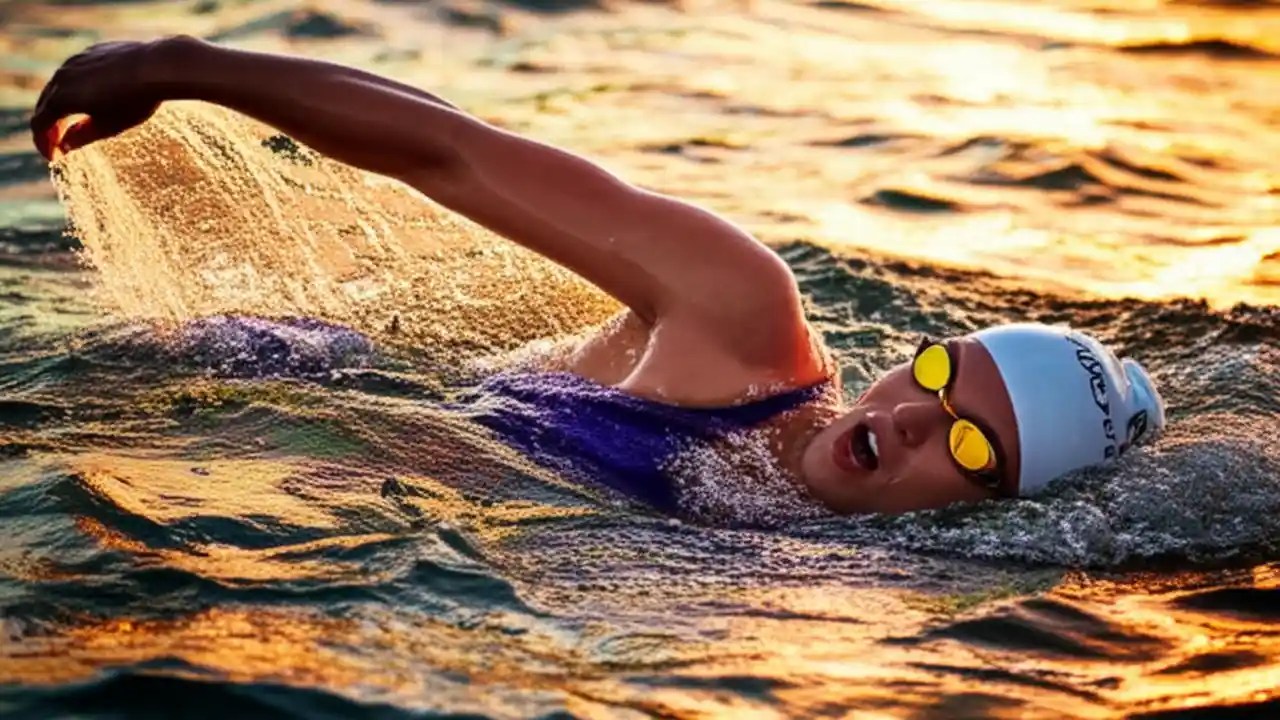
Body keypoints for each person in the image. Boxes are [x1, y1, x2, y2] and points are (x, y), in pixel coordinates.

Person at [30, 37, 1167, 516]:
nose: (910, 416)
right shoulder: (737, 322)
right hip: (278, 386)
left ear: (996, 518)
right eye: (936, 371)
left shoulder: (857, 589)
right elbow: (455, 148)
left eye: (970, 446)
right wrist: (186, 65)